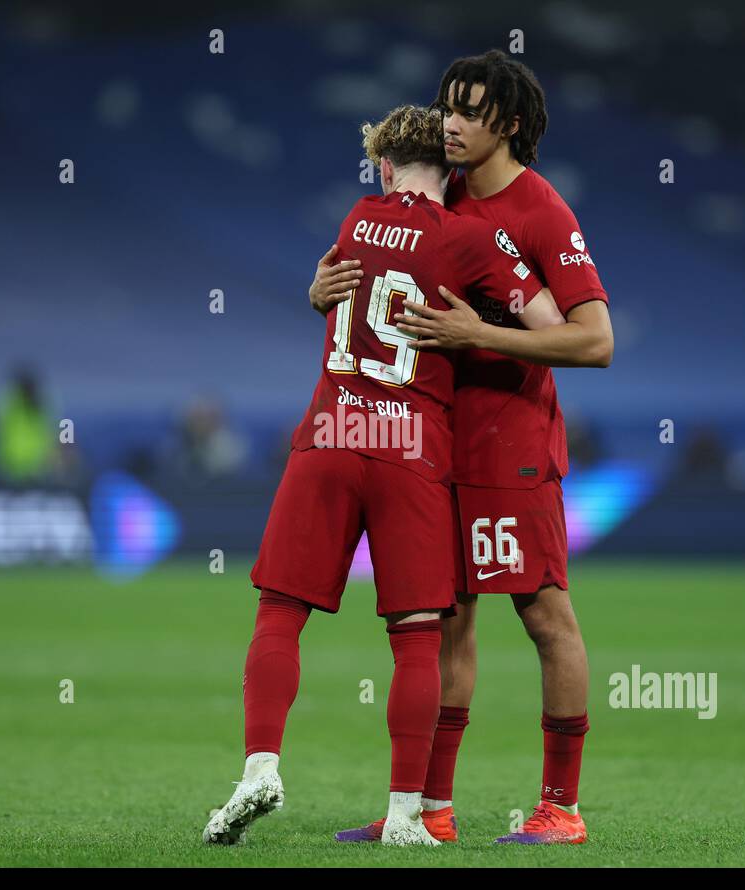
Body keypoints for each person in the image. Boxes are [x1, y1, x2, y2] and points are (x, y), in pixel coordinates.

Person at [204, 104, 565, 847]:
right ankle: (409, 811)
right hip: (411, 448)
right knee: (416, 636)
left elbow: (337, 293)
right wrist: (483, 328)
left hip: (331, 434)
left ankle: (259, 768)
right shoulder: (469, 237)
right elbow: (550, 323)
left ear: (383, 167)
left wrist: (316, 294)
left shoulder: (355, 218)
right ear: (452, 168)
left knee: (280, 613)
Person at [312, 51, 614, 845]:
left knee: (546, 615)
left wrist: (476, 332)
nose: (450, 123)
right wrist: (321, 297)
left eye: (471, 111)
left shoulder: (540, 212)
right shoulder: (432, 199)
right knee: (445, 620)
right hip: (433, 445)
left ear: (508, 124)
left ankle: (563, 808)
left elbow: (595, 342)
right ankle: (430, 808)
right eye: (448, 106)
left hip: (511, 448)